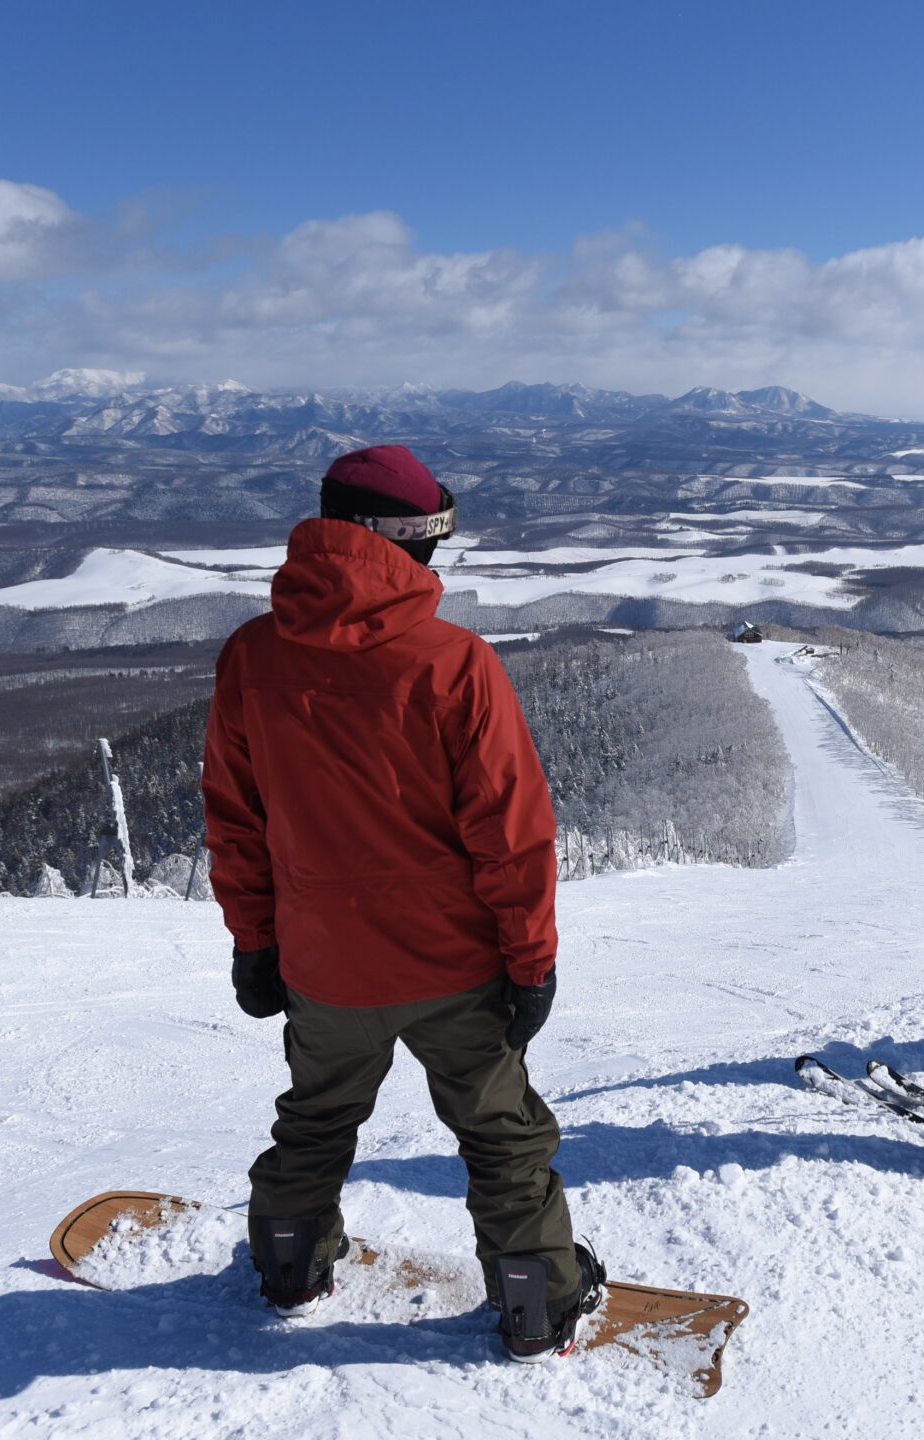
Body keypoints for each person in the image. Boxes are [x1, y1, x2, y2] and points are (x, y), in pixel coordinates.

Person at [201, 444, 601, 1362]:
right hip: (454, 967)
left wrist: (255, 942)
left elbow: (236, 819)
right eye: (431, 541)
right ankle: (536, 1301)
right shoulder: (455, 663)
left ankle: (290, 1262)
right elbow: (513, 835)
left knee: (316, 1117)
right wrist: (531, 962)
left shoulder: (253, 657)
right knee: (500, 1136)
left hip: (323, 965)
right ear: (402, 542)